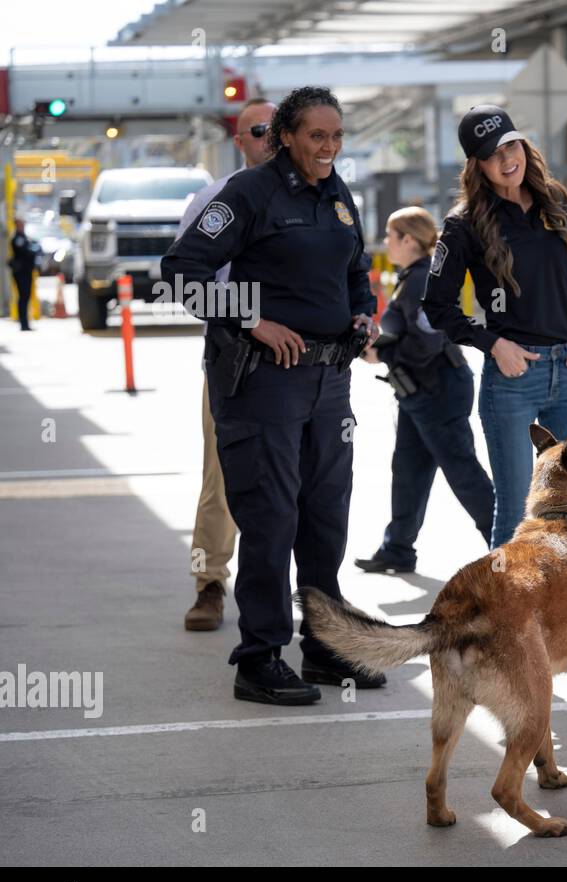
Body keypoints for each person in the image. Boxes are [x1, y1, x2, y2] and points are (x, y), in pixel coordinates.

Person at [162, 86, 380, 705]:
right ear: (286, 135)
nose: (329, 148)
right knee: (271, 520)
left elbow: (355, 271)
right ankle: (258, 658)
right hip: (262, 382)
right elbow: (182, 272)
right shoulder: (248, 194)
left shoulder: (337, 193)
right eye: (317, 136)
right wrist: (252, 318)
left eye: (336, 137)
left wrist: (363, 316)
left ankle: (323, 648)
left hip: (329, 382)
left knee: (325, 517)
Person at [422, 105, 567, 552]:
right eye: (491, 154)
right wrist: (492, 344)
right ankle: (506, 615)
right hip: (512, 380)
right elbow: (437, 306)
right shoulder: (464, 224)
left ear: (524, 145)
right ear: (476, 164)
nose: (506, 159)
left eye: (511, 145)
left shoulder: (555, 201)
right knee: (518, 507)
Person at [180, 98, 277, 632]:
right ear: (240, 141)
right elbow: (182, 280)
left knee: (303, 487)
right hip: (233, 365)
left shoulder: (315, 196)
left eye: (279, 129)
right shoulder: (212, 200)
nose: (272, 138)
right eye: (260, 130)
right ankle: (209, 584)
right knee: (221, 483)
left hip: (303, 371)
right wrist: (251, 319)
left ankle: (305, 594)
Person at [355, 206, 495, 572]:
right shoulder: (411, 277)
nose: (386, 243)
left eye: (390, 235)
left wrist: (381, 351)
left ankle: (508, 547)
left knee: (463, 474)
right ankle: (398, 549)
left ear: (409, 240)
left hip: (438, 391)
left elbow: (428, 343)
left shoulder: (422, 280)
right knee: (408, 471)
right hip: (418, 393)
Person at [9, 218, 38, 332]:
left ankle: (25, 323)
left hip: (27, 271)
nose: (22, 226)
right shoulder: (17, 238)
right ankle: (23, 324)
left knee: (26, 297)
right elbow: (26, 251)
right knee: (23, 297)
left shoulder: (24, 237)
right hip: (21, 272)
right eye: (20, 224)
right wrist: (32, 250)